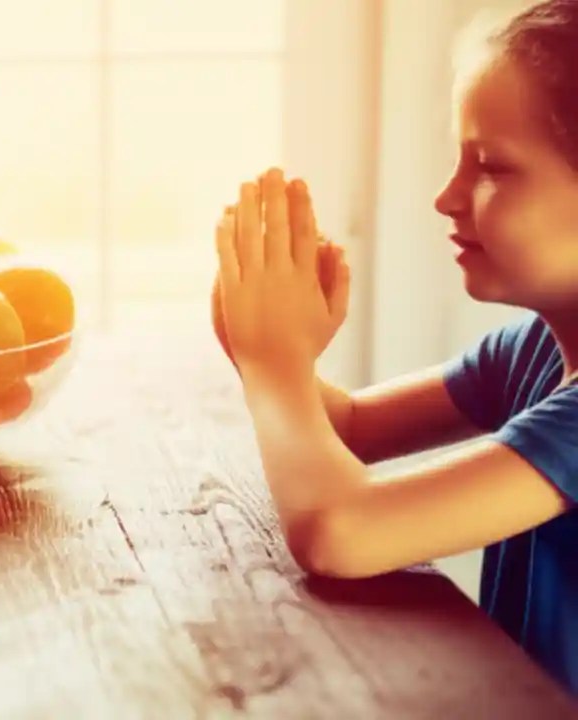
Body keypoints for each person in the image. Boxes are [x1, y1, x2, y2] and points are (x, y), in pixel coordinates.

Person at [212, 0, 578, 693]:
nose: (447, 196)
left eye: (491, 167)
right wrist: (259, 336)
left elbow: (342, 530)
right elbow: (345, 431)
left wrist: (275, 365)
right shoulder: (533, 349)